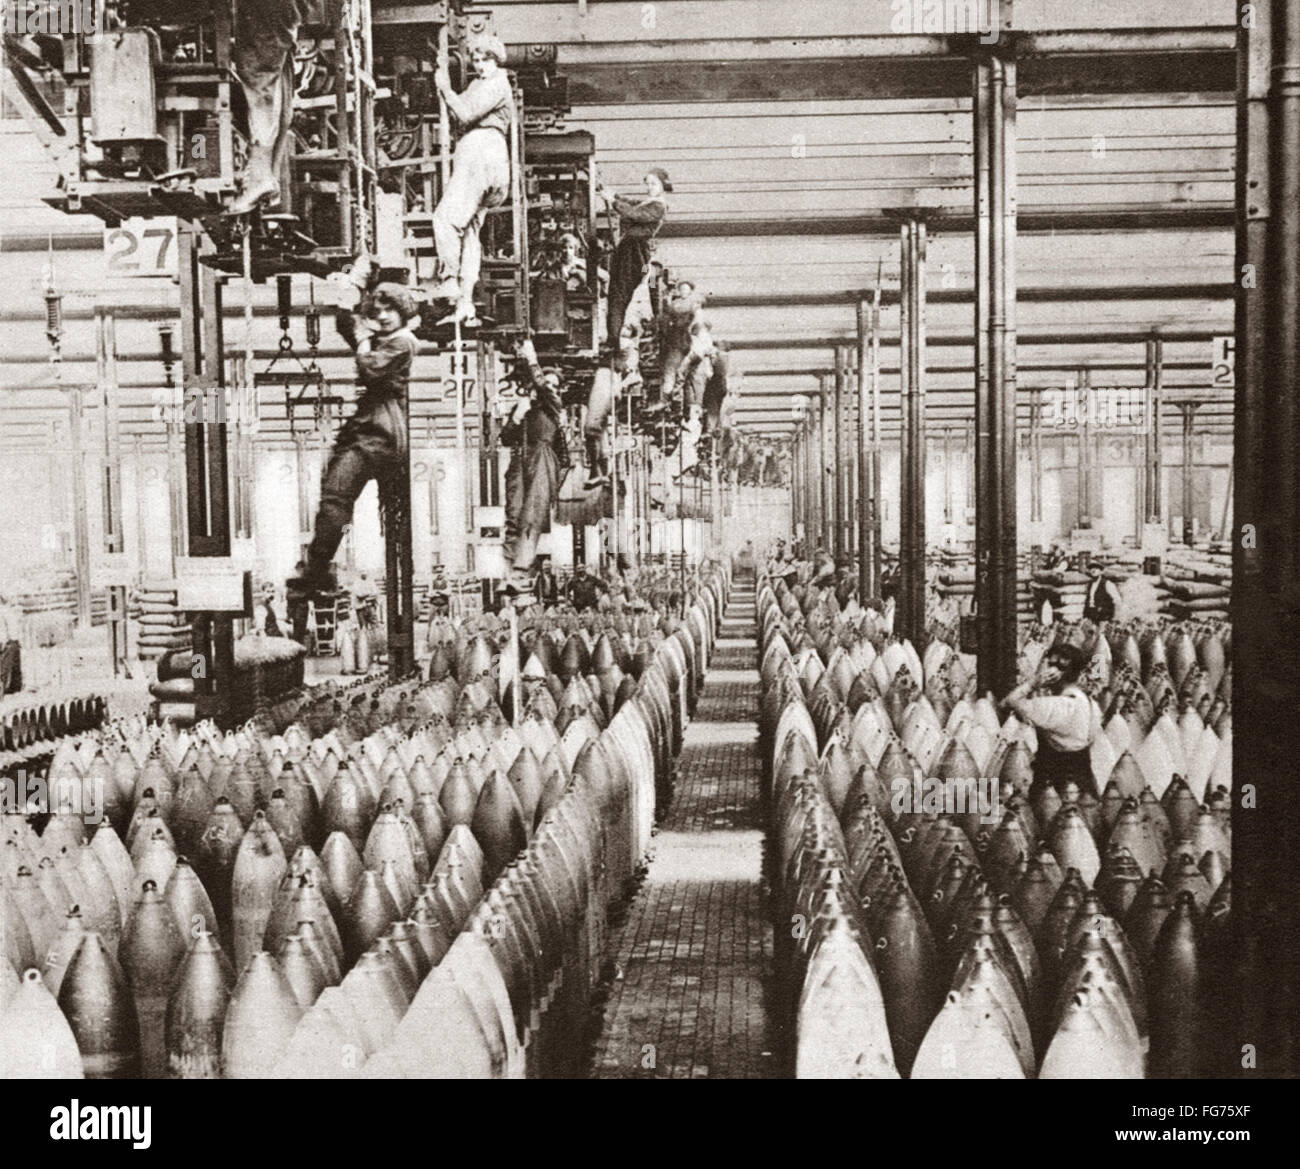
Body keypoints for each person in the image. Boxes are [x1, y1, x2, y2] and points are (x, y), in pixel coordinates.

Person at [291, 258, 419, 597]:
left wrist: (363, 339)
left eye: (390, 309)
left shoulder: (404, 342)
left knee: (337, 495)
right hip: (371, 428)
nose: (383, 317)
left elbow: (370, 370)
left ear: (404, 311)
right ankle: (318, 569)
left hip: (379, 433)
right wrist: (353, 286)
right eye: (377, 311)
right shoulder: (383, 339)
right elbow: (348, 326)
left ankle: (317, 570)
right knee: (334, 496)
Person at [431, 35, 515, 325]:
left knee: (445, 219)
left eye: (485, 59)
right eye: (476, 60)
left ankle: (449, 280)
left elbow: (464, 113)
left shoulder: (497, 82)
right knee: (468, 232)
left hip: (480, 151)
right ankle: (465, 304)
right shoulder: (481, 84)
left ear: (496, 60)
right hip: (491, 160)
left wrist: (444, 87)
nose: (480, 65)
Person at [502, 340, 569, 592]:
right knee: (514, 513)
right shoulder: (527, 409)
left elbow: (542, 386)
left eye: (554, 385)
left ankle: (522, 571)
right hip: (520, 458)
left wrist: (532, 358)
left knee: (533, 513)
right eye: (547, 383)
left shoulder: (554, 406)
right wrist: (517, 417)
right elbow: (506, 438)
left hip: (542, 457)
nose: (548, 388)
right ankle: (508, 571)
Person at [1003, 642, 1095, 794]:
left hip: (1059, 777)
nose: (1049, 669)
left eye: (1055, 666)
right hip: (1081, 771)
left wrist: (1033, 683)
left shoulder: (1060, 704)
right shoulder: (1083, 698)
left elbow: (1009, 702)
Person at [603, 169, 671, 351]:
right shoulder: (649, 202)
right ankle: (614, 338)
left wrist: (613, 201)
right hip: (630, 252)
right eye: (647, 183)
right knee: (619, 293)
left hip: (634, 252)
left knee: (620, 293)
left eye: (654, 184)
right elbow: (632, 204)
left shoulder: (659, 205)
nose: (649, 187)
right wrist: (613, 194)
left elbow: (635, 214)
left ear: (663, 186)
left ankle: (615, 339)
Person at [0, 594, 23, 697]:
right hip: (10, 642)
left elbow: (6, 631)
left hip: (9, 643)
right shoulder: (6, 610)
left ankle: (8, 689)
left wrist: (5, 642)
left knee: (5, 670)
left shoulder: (4, 611)